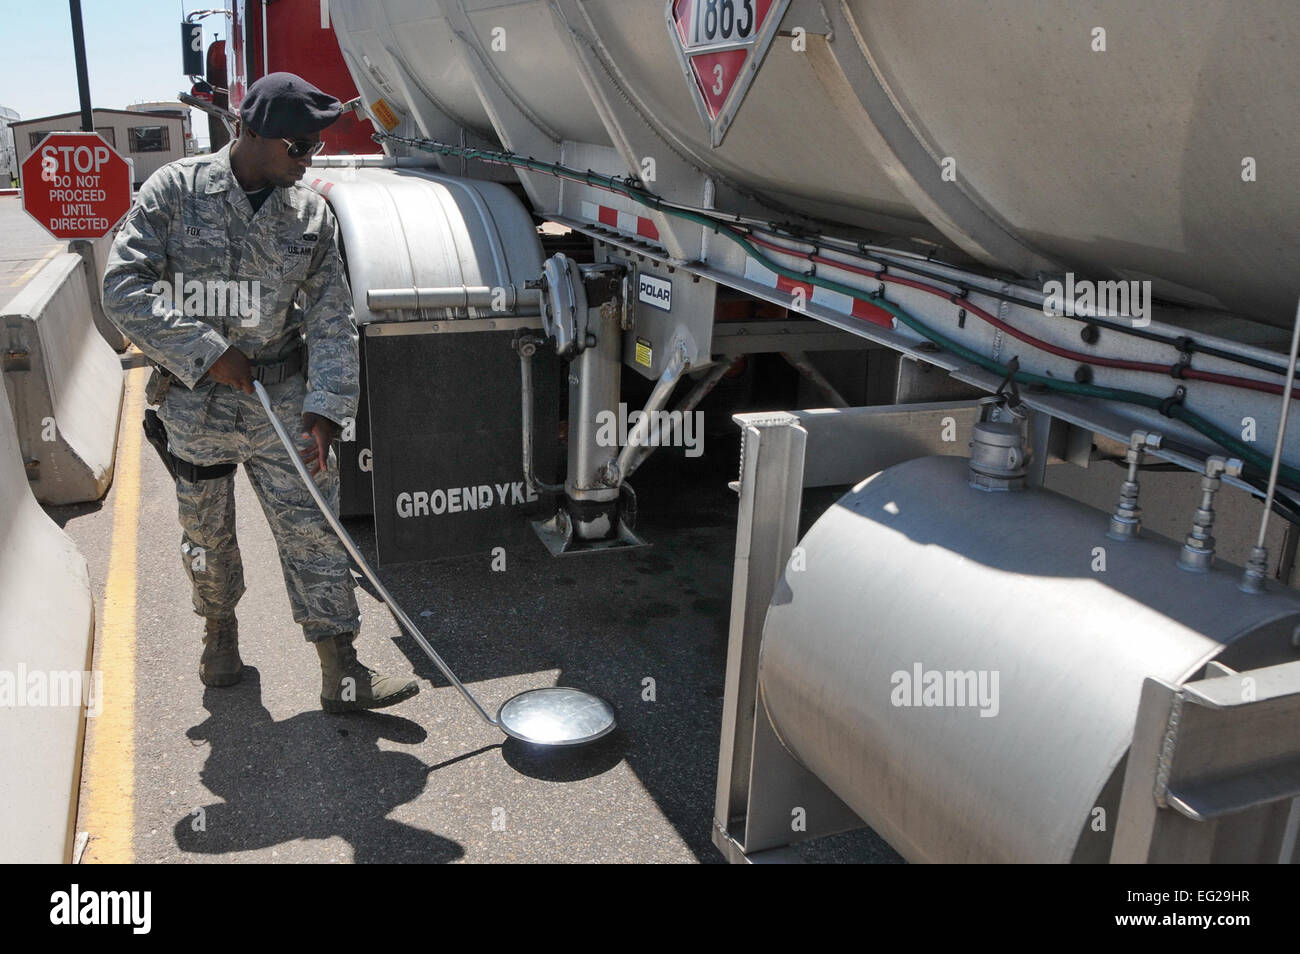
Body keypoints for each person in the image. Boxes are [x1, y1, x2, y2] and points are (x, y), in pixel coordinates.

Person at [102, 72, 418, 713]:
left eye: (316, 149)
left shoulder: (310, 215)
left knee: (317, 533)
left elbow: (333, 319)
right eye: (297, 147)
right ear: (248, 131)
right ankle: (219, 633)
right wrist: (209, 352)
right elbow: (123, 288)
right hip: (197, 406)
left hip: (286, 403)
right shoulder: (176, 191)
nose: (308, 161)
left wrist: (326, 412)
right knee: (207, 534)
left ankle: (342, 669)